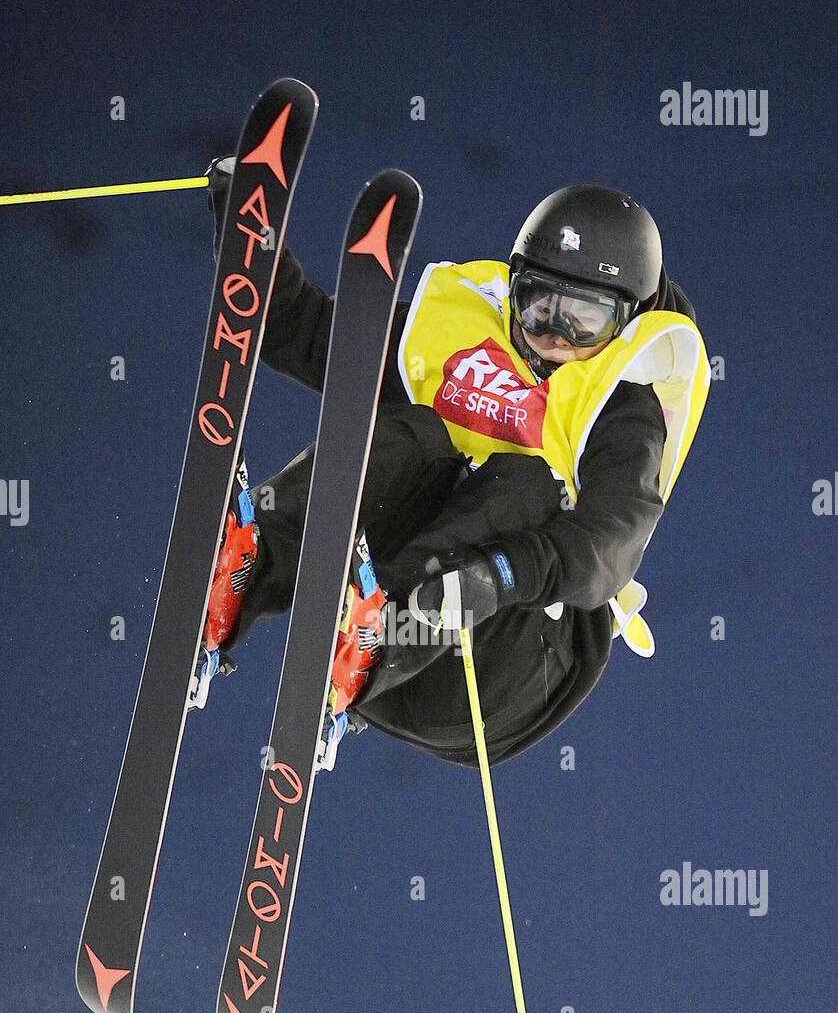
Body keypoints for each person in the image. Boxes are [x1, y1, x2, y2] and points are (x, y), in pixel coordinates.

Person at [193, 167, 710, 769]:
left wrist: (497, 577)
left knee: (524, 481)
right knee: (409, 431)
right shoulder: (463, 341)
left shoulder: (625, 407)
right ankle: (248, 572)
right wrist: (251, 242)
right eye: (539, 304)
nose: (554, 334)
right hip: (389, 638)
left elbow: (608, 548)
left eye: (585, 320)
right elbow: (306, 333)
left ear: (629, 319)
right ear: (513, 285)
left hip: (502, 674)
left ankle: (385, 633)